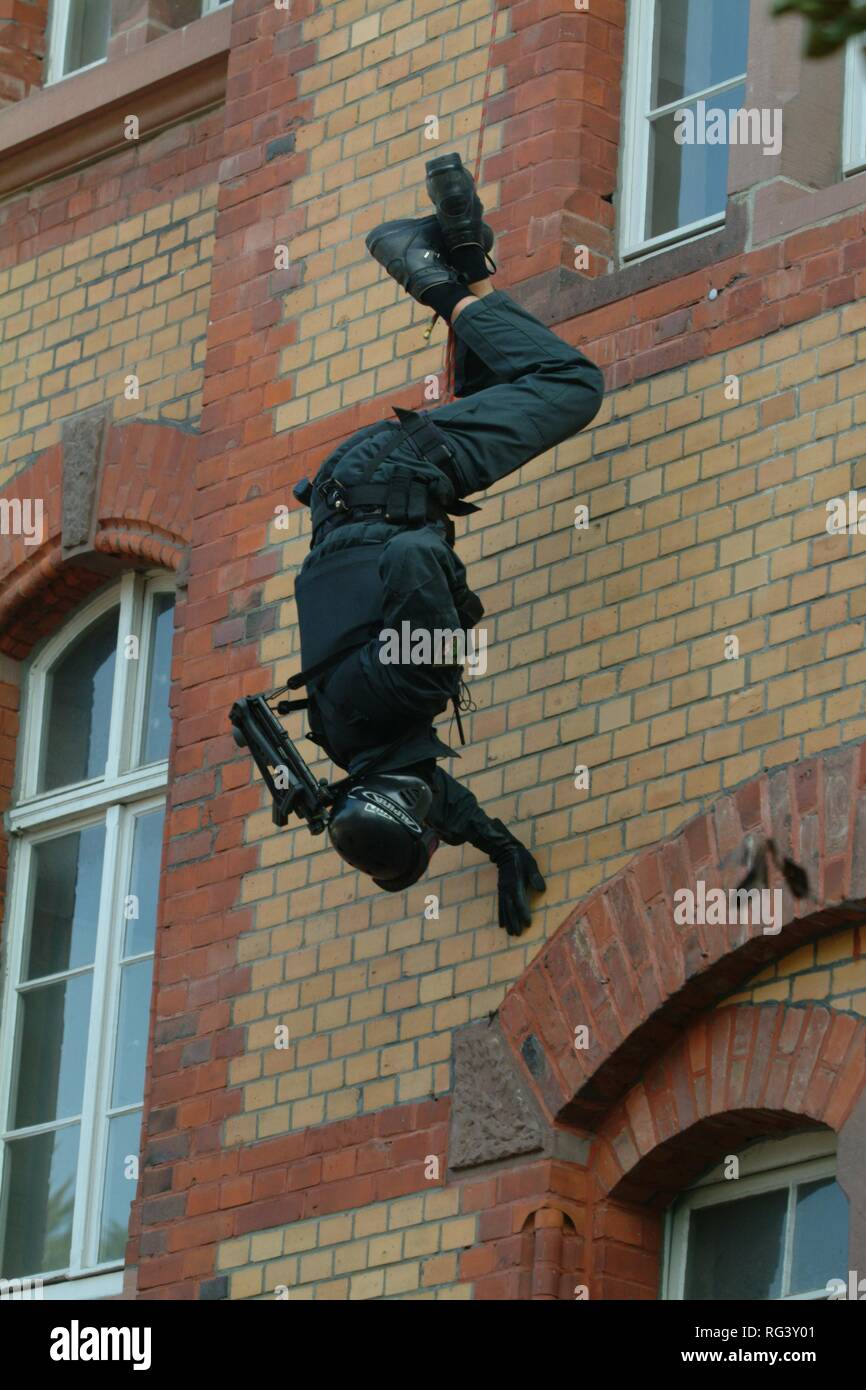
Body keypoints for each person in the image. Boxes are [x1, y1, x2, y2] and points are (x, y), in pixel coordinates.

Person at [290, 153, 605, 936]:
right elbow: (443, 798)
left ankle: (422, 270)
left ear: (406, 804)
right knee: (496, 402)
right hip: (355, 490)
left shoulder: (413, 684)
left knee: (569, 387)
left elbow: (411, 563)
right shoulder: (353, 741)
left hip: (395, 482)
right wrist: (498, 848)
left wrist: (455, 610)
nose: (439, 814)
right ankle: (462, 252)